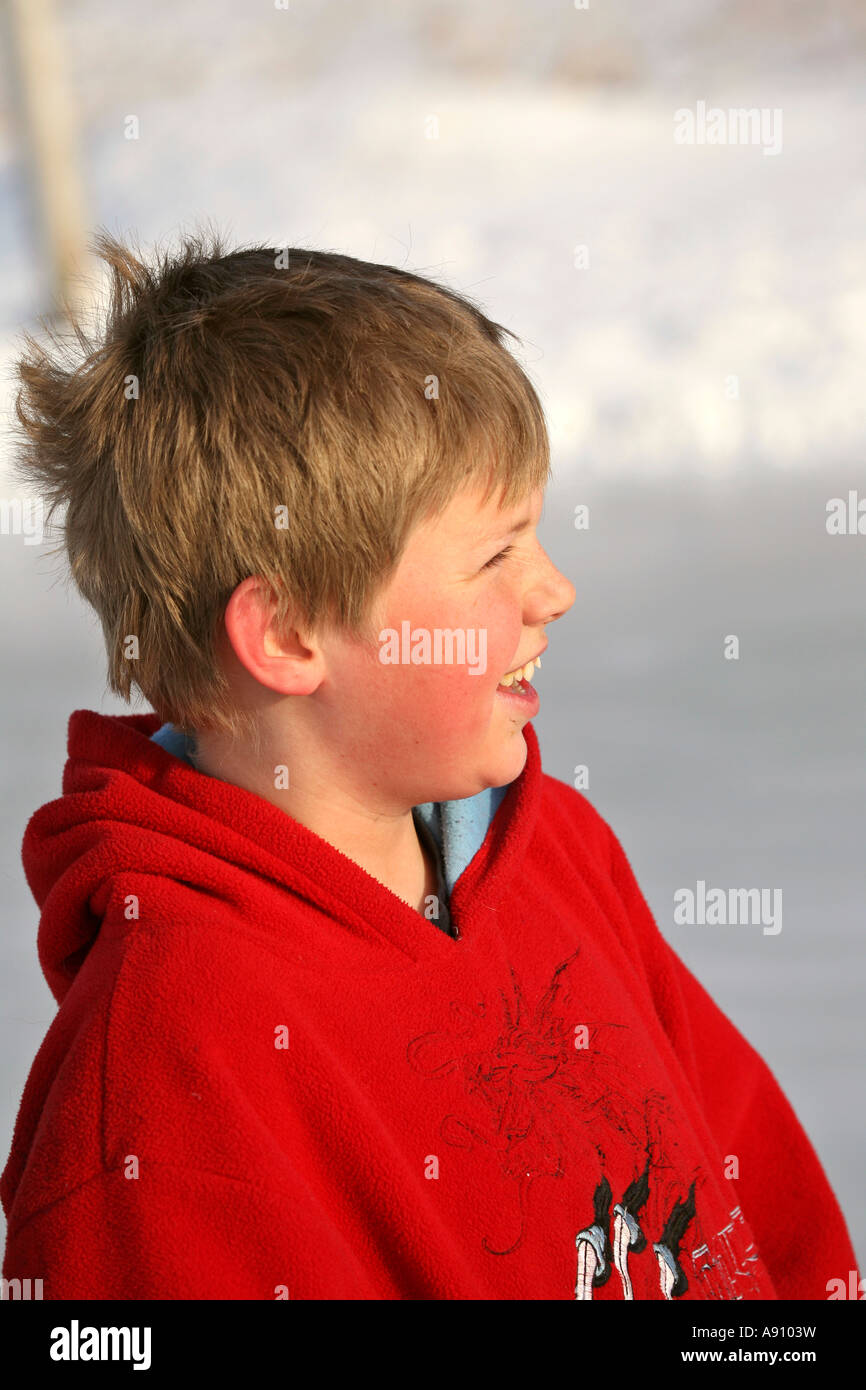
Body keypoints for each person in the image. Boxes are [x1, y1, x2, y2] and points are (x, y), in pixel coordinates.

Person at [1, 231, 857, 1299]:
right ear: (292, 634)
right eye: (494, 555)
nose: (553, 590)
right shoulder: (167, 1074)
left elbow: (760, 1202)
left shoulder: (552, 851)